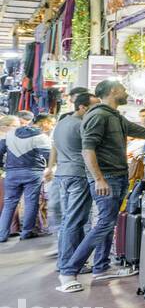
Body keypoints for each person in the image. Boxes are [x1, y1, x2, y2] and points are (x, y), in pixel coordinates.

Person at [57, 80, 145, 292]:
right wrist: (98, 178)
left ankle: (101, 267)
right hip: (106, 178)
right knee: (104, 224)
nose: (126, 92)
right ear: (113, 91)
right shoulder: (98, 116)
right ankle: (68, 272)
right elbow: (87, 150)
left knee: (107, 223)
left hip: (116, 177)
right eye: (124, 89)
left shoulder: (115, 116)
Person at [47, 91, 95, 276]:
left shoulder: (62, 123)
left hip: (63, 175)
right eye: (93, 107)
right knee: (75, 221)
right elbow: (89, 152)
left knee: (69, 220)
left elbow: (55, 148)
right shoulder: (81, 125)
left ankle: (65, 261)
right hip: (78, 175)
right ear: (82, 107)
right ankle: (71, 263)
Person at [0, 113, 54, 242]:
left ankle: (2, 235)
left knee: (9, 203)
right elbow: (48, 154)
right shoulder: (40, 136)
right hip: (33, 172)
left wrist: (3, 166)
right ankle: (26, 232)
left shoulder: (10, 135)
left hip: (12, 173)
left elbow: (0, 151)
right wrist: (49, 167)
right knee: (31, 202)